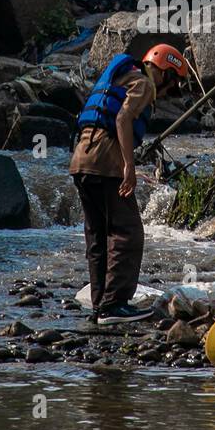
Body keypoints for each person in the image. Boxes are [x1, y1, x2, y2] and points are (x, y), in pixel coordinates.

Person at [71, 43, 187, 325]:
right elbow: (122, 119)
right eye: (172, 84)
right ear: (164, 71)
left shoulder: (123, 75)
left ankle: (100, 305)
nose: (169, 91)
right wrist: (129, 167)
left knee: (98, 235)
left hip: (81, 160)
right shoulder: (145, 84)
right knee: (127, 232)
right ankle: (114, 305)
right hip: (106, 163)